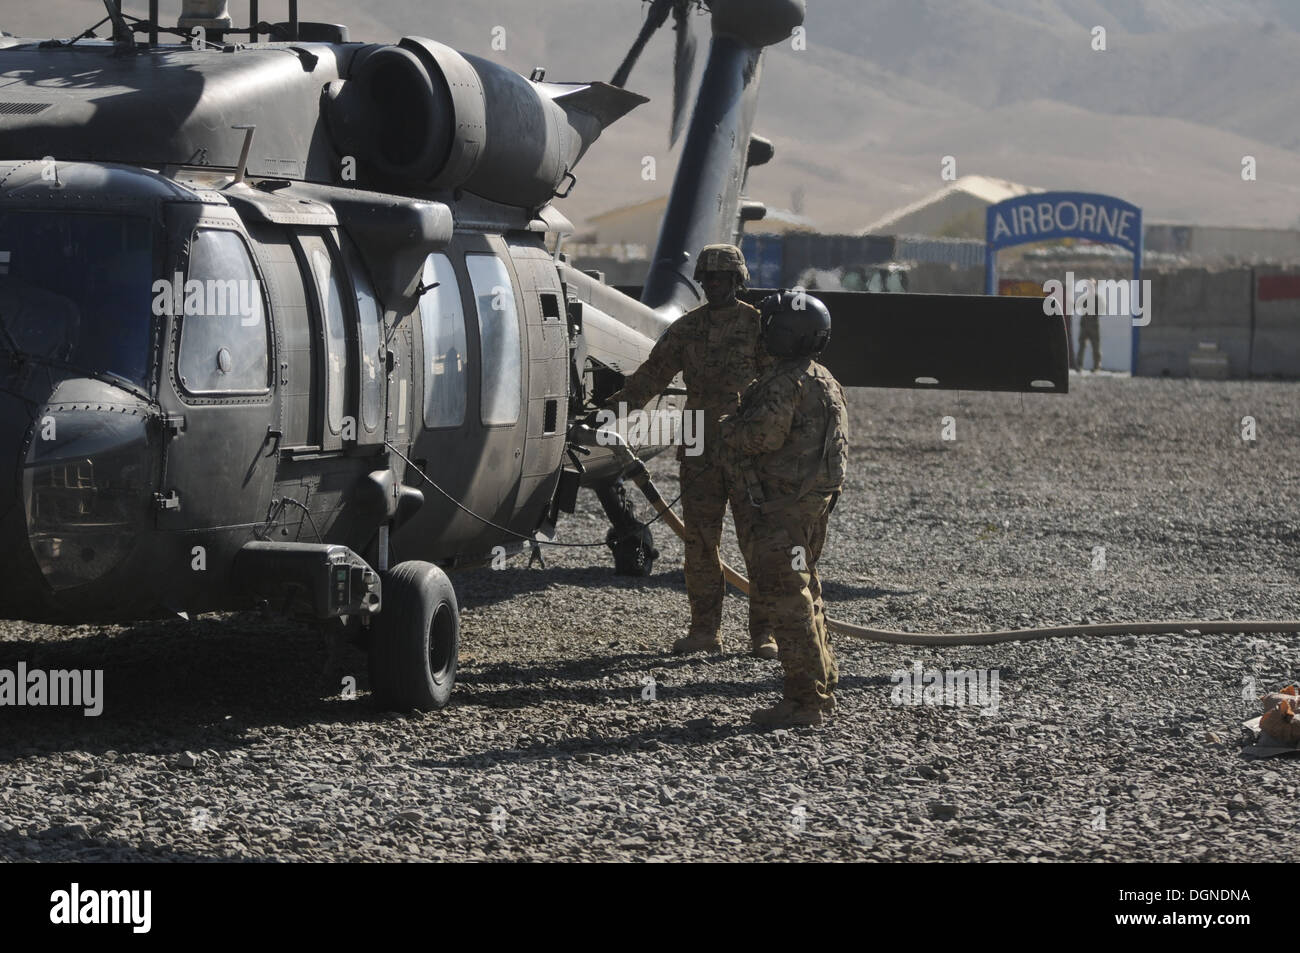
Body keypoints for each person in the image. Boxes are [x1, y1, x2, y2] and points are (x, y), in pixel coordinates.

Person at [605, 244, 778, 658]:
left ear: (739, 280)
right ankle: (705, 630)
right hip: (698, 438)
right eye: (709, 278)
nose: (716, 284)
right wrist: (610, 413)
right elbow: (651, 376)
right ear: (701, 281)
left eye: (724, 277)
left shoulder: (760, 327)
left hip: (746, 444)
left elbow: (778, 385)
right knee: (701, 542)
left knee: (757, 541)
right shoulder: (686, 328)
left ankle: (764, 634)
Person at [719, 290, 849, 728]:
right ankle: (821, 684)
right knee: (807, 591)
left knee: (786, 599)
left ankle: (803, 701)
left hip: (781, 510)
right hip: (810, 508)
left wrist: (730, 428)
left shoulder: (783, 383)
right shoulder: (823, 378)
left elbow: (761, 438)